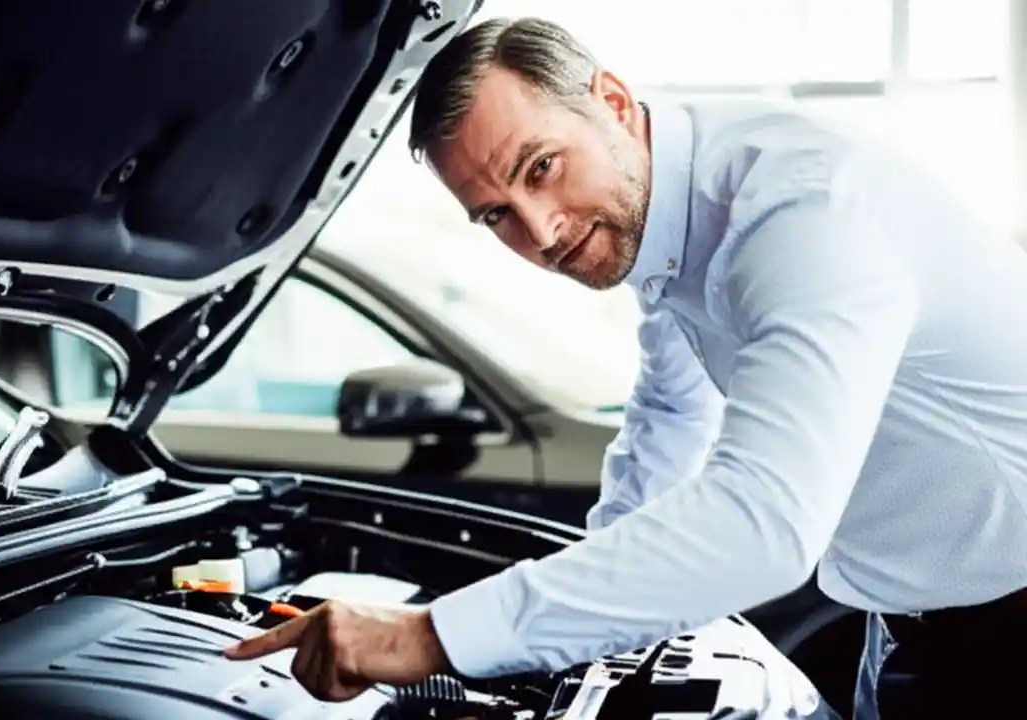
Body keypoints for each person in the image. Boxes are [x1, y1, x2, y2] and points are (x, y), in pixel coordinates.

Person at [226, 16, 1027, 718]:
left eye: (540, 167)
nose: (538, 231)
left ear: (610, 99)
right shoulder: (673, 223)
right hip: (909, 626)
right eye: (496, 214)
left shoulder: (800, 215)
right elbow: (669, 427)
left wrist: (433, 638)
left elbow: (767, 524)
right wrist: (570, 631)